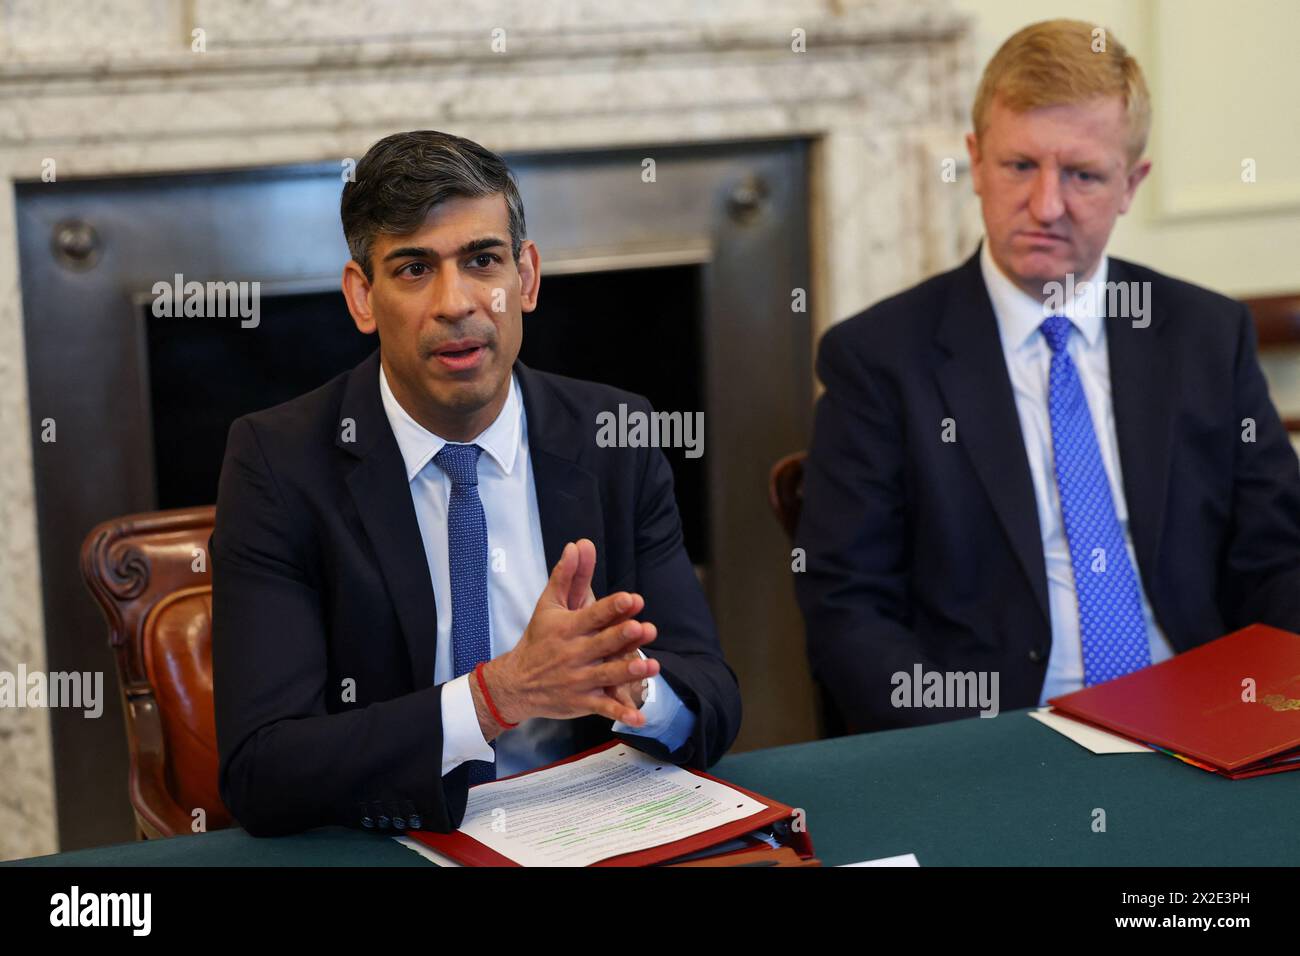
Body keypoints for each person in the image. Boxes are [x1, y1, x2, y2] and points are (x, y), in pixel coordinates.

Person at [212, 130, 740, 836]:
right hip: (399, 841)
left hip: (586, 830)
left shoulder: (617, 434)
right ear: (361, 297)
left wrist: (631, 683)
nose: (455, 302)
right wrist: (496, 697)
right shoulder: (279, 463)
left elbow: (714, 696)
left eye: (482, 260)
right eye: (412, 269)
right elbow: (262, 769)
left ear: (524, 279)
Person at [795, 19, 1300, 732]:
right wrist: (963, 754)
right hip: (992, 738)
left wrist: (1269, 714)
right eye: (1019, 166)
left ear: (1133, 183)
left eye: (1083, 175)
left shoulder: (1203, 336)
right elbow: (848, 608)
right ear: (974, 162)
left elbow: (1278, 560)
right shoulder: (879, 360)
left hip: (1204, 722)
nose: (1047, 206)